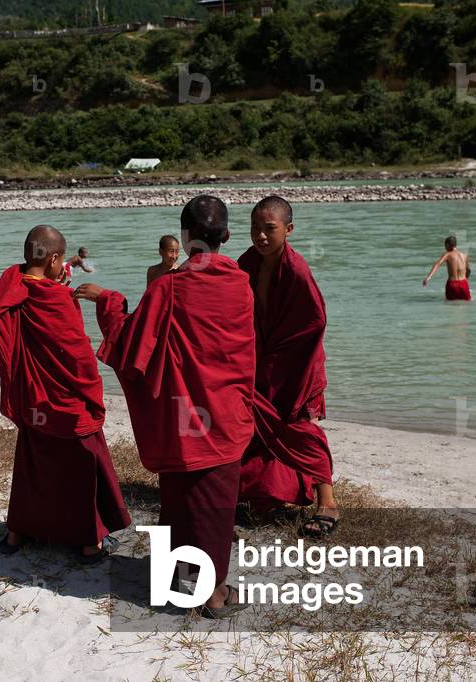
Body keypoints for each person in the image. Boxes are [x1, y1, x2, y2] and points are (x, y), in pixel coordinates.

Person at [75, 196, 255, 618]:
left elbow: (133, 343)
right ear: (227, 236)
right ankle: (212, 595)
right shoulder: (240, 285)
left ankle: (174, 573)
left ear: (186, 237)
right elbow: (241, 351)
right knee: (215, 503)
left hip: (180, 412)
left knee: (177, 494)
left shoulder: (168, 288)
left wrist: (108, 301)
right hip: (224, 411)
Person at [0, 226, 130, 563]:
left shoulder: (12, 283)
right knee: (83, 459)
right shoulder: (57, 299)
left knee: (34, 458)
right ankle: (89, 543)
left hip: (31, 396)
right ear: (56, 259)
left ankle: (17, 533)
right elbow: (78, 357)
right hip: (66, 401)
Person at [236, 197, 339, 537]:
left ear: (288, 230)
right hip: (262, 362)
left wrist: (281, 363)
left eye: (270, 229)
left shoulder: (296, 270)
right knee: (260, 428)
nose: (261, 236)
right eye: (255, 228)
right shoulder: (247, 262)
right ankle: (266, 493)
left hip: (298, 364)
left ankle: (328, 502)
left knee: (300, 426)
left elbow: (314, 322)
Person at [423, 236, 471, 301]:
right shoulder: (464, 255)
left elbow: (437, 264)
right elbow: (468, 270)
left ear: (447, 245)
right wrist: (465, 280)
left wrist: (428, 277)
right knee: (467, 304)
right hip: (464, 284)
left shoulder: (447, 254)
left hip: (452, 285)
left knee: (450, 307)